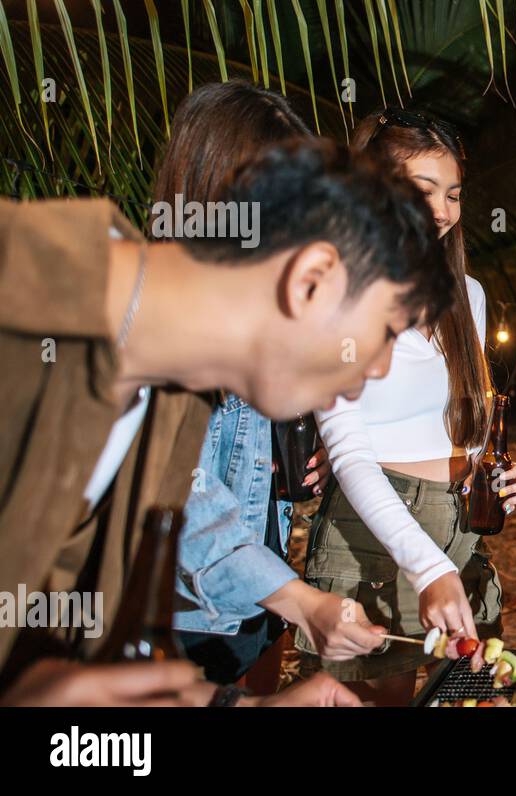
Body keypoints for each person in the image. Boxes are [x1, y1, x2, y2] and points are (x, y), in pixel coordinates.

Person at [0, 136, 450, 705]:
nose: (373, 372)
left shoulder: (175, 403)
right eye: (386, 332)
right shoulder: (20, 291)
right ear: (311, 279)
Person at [148, 81, 384, 687]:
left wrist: (311, 453)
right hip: (172, 620)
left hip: (252, 606)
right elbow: (181, 494)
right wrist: (302, 602)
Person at [297, 108, 516, 706]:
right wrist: (427, 568)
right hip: (372, 534)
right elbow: (348, 450)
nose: (443, 211)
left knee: (471, 697)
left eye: (452, 194)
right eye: (423, 190)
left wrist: (493, 472)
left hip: (459, 534)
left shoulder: (465, 294)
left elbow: (465, 426)